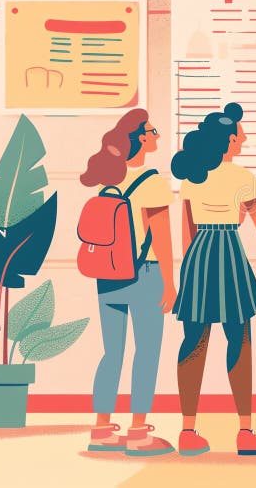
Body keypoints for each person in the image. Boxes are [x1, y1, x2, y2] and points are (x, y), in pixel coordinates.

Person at [171, 102, 256, 457]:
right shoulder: (242, 177)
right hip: (227, 252)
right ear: (228, 139)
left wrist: (187, 269)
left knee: (193, 340)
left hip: (198, 256)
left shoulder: (192, 175)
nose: (244, 139)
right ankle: (245, 431)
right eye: (240, 134)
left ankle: (187, 430)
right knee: (238, 339)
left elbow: (188, 228)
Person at [80, 109, 177, 456]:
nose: (157, 136)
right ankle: (138, 433)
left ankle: (101, 429)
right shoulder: (152, 183)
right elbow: (162, 238)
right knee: (147, 353)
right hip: (144, 274)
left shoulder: (110, 180)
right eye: (152, 130)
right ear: (139, 138)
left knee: (112, 353)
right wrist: (170, 282)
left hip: (107, 275)